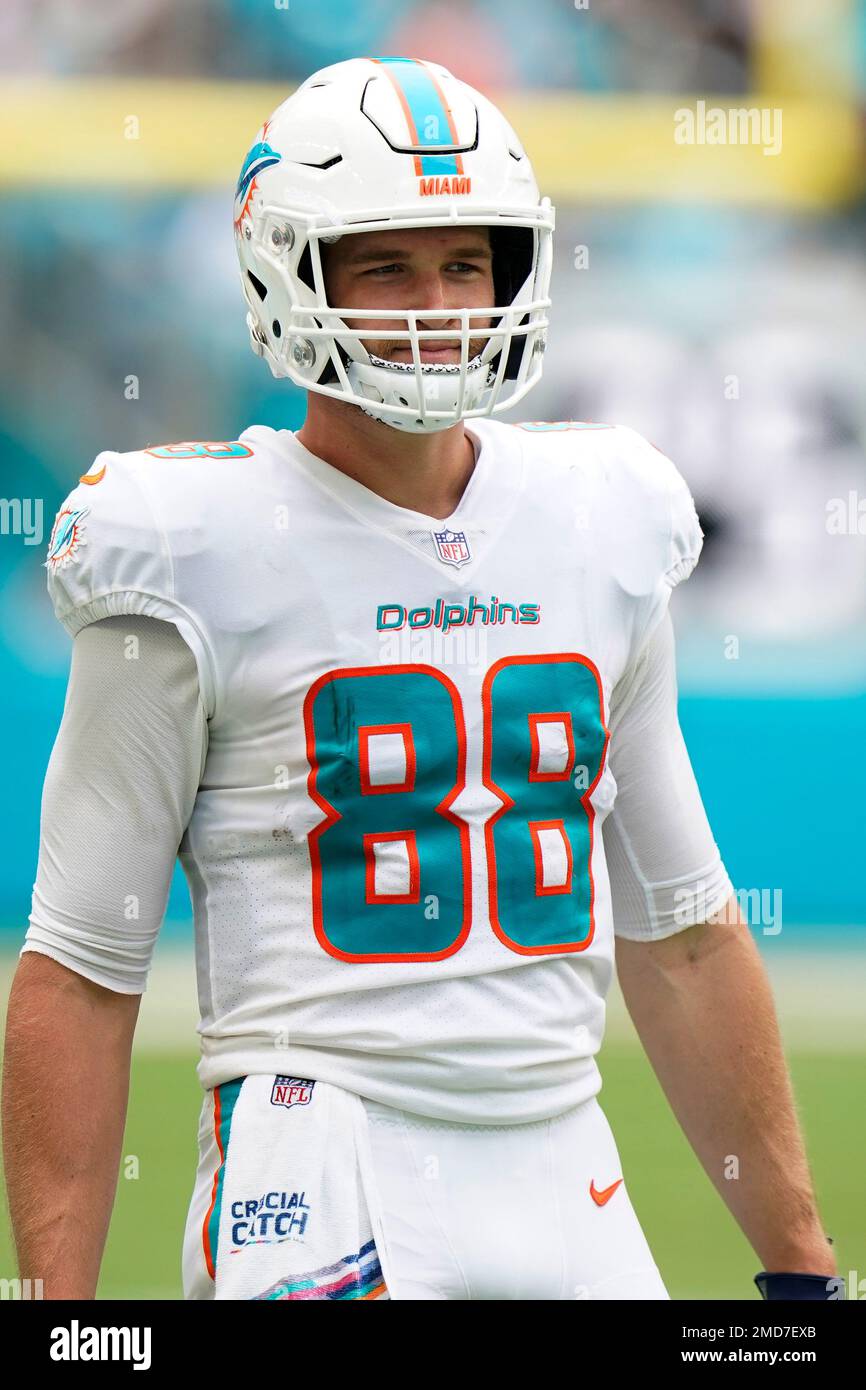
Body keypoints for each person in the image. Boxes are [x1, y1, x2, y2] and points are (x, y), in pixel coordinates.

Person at [3, 56, 840, 1301]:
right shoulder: (189, 542)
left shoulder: (597, 514)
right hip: (321, 1156)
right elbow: (78, 964)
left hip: (570, 1158)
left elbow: (681, 936)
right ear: (290, 276)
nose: (435, 304)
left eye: (464, 263)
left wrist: (799, 1269)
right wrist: (59, 1318)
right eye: (384, 265)